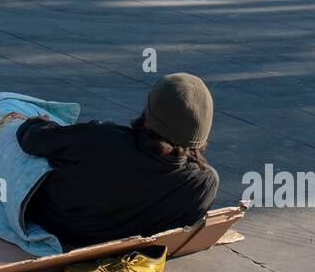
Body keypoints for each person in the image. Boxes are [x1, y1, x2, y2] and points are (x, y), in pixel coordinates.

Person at [16, 72, 219, 251]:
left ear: (148, 113)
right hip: (120, 241)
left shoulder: (103, 139)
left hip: (60, 228)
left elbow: (30, 139)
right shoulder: (205, 182)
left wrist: (38, 123)